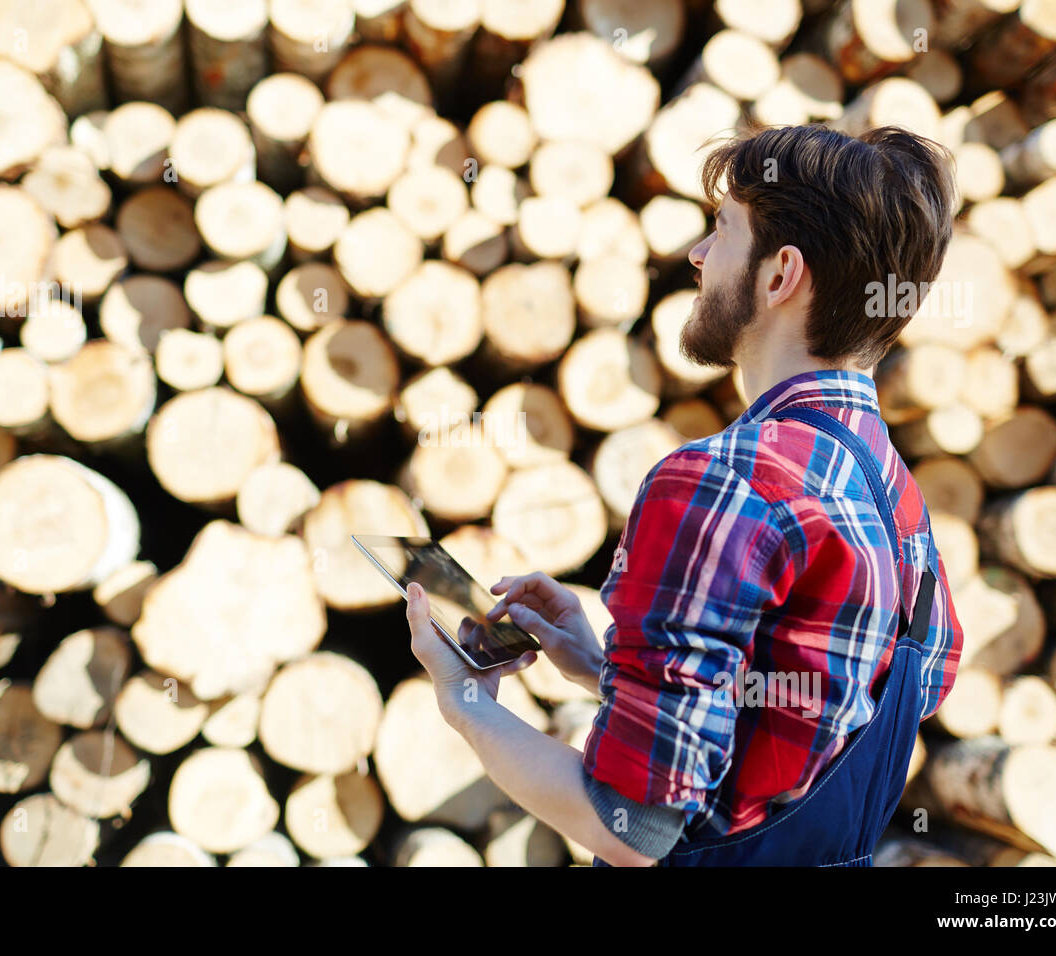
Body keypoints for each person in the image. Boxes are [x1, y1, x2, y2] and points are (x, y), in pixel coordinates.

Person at [404, 123, 965, 867]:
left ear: (779, 276)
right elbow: (832, 716)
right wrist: (605, 663)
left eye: (722, 230)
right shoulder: (900, 502)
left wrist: (466, 705)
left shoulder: (725, 480)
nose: (697, 255)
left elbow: (629, 829)